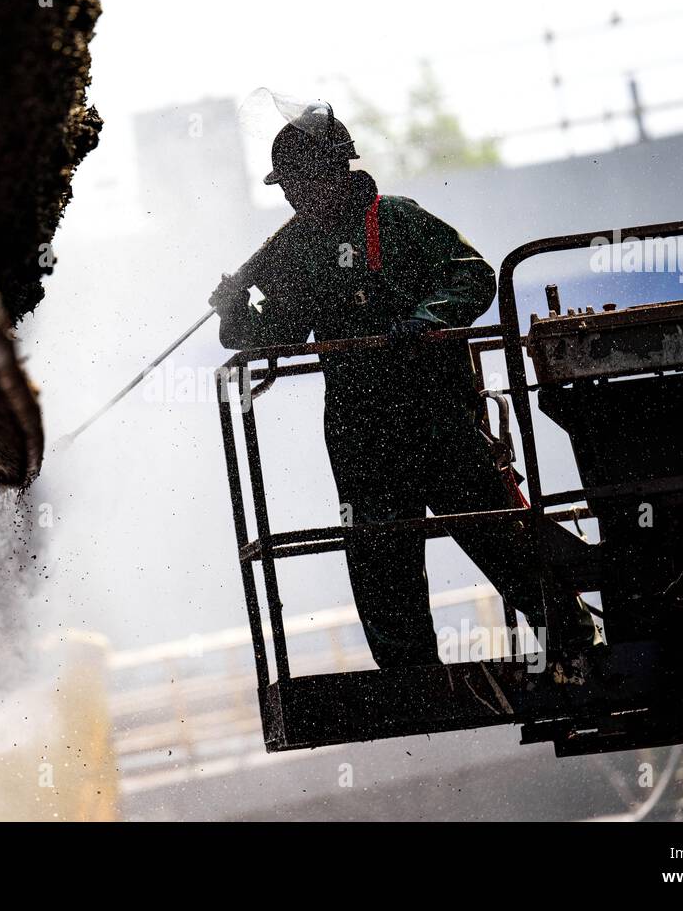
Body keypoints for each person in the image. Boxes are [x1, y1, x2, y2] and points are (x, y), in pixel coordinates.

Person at [210, 103, 597, 668]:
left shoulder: (400, 221)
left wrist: (428, 319)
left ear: (337, 173)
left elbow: (474, 273)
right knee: (378, 553)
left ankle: (571, 642)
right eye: (286, 187)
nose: (292, 197)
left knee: (494, 529)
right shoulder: (295, 251)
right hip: (359, 428)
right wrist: (234, 311)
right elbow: (278, 331)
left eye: (299, 182)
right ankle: (409, 676)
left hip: (436, 413)